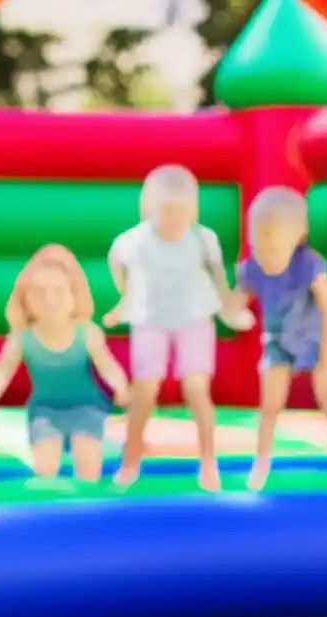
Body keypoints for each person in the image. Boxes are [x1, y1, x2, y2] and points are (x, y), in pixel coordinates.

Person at [102, 164, 251, 491]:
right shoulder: (134, 242)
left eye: (180, 212)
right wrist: (125, 299)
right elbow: (116, 262)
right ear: (148, 210)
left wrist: (229, 307)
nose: (173, 220)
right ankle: (130, 460)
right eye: (165, 211)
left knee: (196, 389)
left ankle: (208, 460)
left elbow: (218, 279)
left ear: (193, 211)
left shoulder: (203, 239)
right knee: (145, 391)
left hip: (194, 317)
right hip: (151, 318)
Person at [0, 245, 128, 482]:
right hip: (45, 410)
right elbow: (2, 372)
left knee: (88, 464)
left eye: (58, 291)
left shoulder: (87, 333)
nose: (50, 300)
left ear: (74, 297)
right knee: (45, 468)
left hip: (87, 408)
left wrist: (122, 388)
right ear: (26, 300)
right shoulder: (22, 339)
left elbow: (107, 366)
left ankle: (86, 500)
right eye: (39, 293)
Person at [231, 186, 327, 491]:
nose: (265, 256)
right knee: (270, 405)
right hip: (278, 340)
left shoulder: (308, 263)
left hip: (317, 337)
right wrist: (231, 310)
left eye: (273, 249)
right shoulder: (253, 268)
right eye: (258, 246)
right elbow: (235, 302)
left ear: (298, 238)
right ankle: (261, 462)